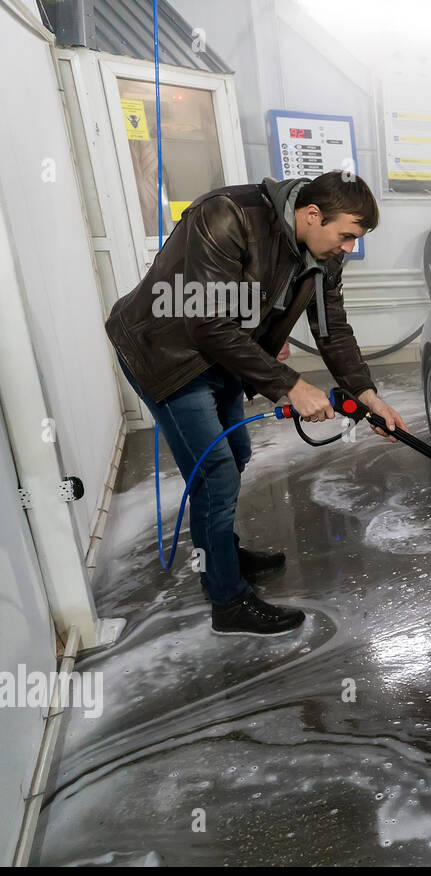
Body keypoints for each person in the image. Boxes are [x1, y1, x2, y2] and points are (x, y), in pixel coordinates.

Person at [106, 171, 408, 636]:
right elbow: (206, 321)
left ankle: (220, 555)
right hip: (165, 353)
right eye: (347, 235)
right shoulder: (227, 217)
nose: (350, 247)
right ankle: (227, 602)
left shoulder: (324, 253)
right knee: (216, 473)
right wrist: (292, 385)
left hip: (225, 351)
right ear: (313, 215)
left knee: (237, 453)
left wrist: (368, 396)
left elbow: (332, 330)